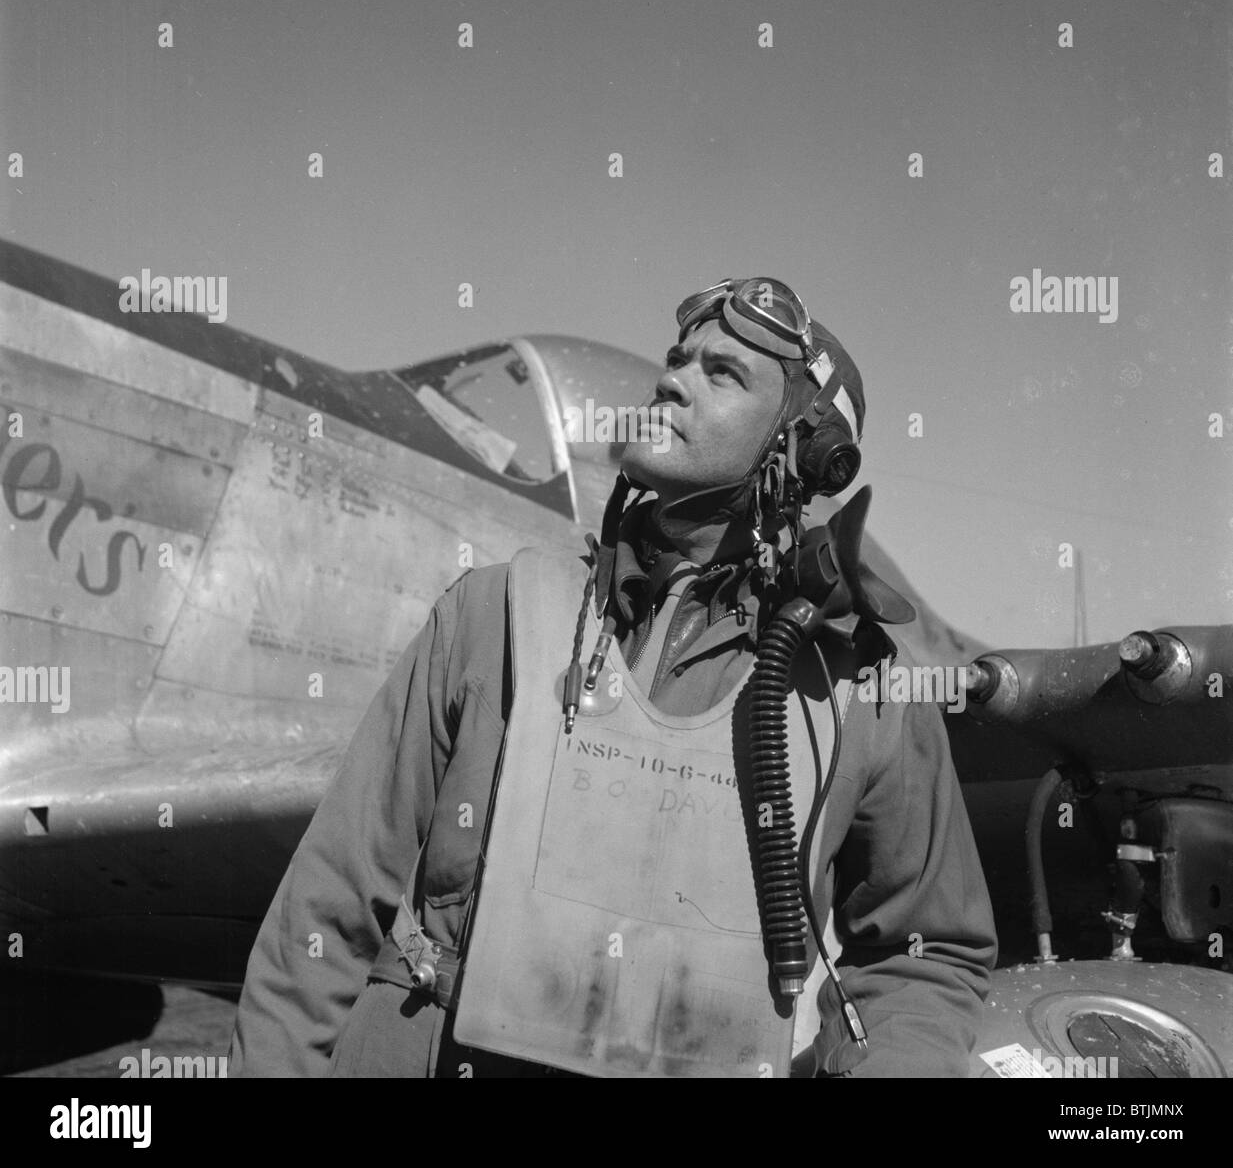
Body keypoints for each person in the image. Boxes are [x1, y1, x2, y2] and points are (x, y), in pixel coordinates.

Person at [229, 277, 997, 1077]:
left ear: (802, 449)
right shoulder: (492, 612)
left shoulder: (864, 690)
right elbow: (327, 908)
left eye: (722, 373)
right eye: (677, 359)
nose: (671, 379)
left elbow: (928, 953)